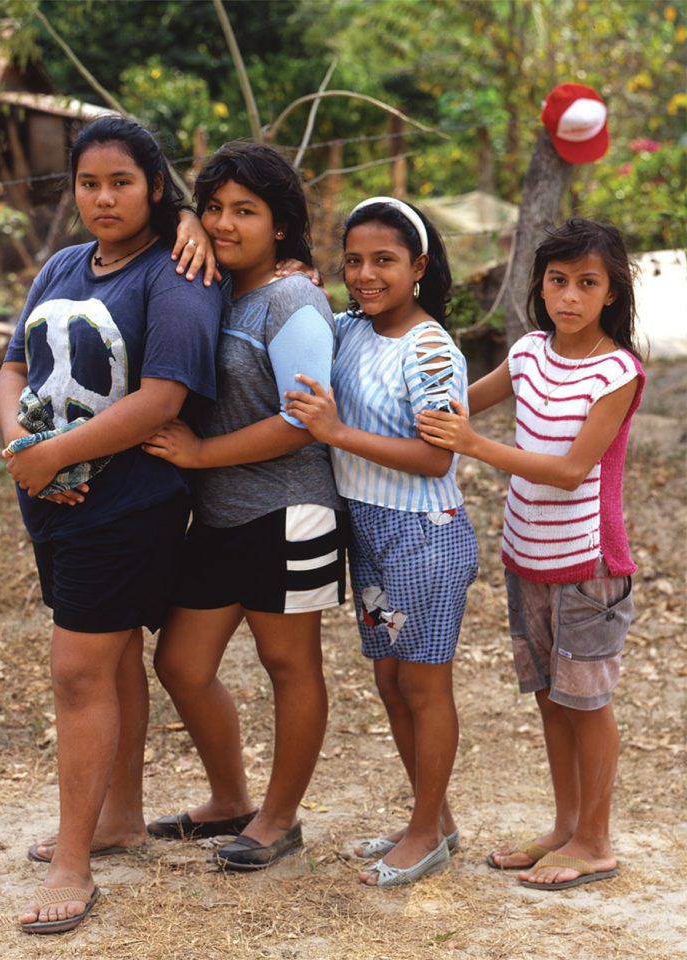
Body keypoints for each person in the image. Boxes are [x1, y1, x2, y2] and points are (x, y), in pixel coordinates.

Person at [0, 116, 221, 933]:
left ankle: (73, 864)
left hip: (128, 506)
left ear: (156, 186)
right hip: (52, 501)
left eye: (121, 181)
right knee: (113, 651)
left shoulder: (177, 273)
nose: (103, 197)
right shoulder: (62, 264)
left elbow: (163, 398)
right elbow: (13, 363)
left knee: (78, 673)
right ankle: (119, 816)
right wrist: (23, 446)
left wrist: (54, 457)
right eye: (89, 183)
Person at [416, 218, 645, 890]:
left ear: (610, 293)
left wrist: (474, 445)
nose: (569, 295)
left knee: (587, 704)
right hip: (528, 558)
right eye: (557, 280)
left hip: (589, 568)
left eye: (586, 283)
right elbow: (457, 405)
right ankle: (565, 826)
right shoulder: (528, 354)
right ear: (538, 285)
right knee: (550, 699)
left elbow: (573, 470)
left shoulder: (618, 371)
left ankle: (596, 842)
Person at [142, 141, 348, 871]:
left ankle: (281, 818)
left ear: (281, 226)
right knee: (181, 663)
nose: (226, 223)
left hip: (291, 512)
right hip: (222, 515)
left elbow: (302, 418)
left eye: (246, 211)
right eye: (216, 208)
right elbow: (151, 212)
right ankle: (230, 798)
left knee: (288, 665)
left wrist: (198, 455)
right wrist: (190, 225)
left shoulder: (295, 299)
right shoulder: (217, 286)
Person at [285, 197, 478, 888]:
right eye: (355, 260)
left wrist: (335, 433)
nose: (365, 274)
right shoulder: (352, 328)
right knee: (392, 680)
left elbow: (437, 459)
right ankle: (436, 819)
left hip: (423, 538)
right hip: (370, 536)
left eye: (385, 261)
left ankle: (425, 834)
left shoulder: (430, 349)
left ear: (419, 266)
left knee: (423, 686)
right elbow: (304, 314)